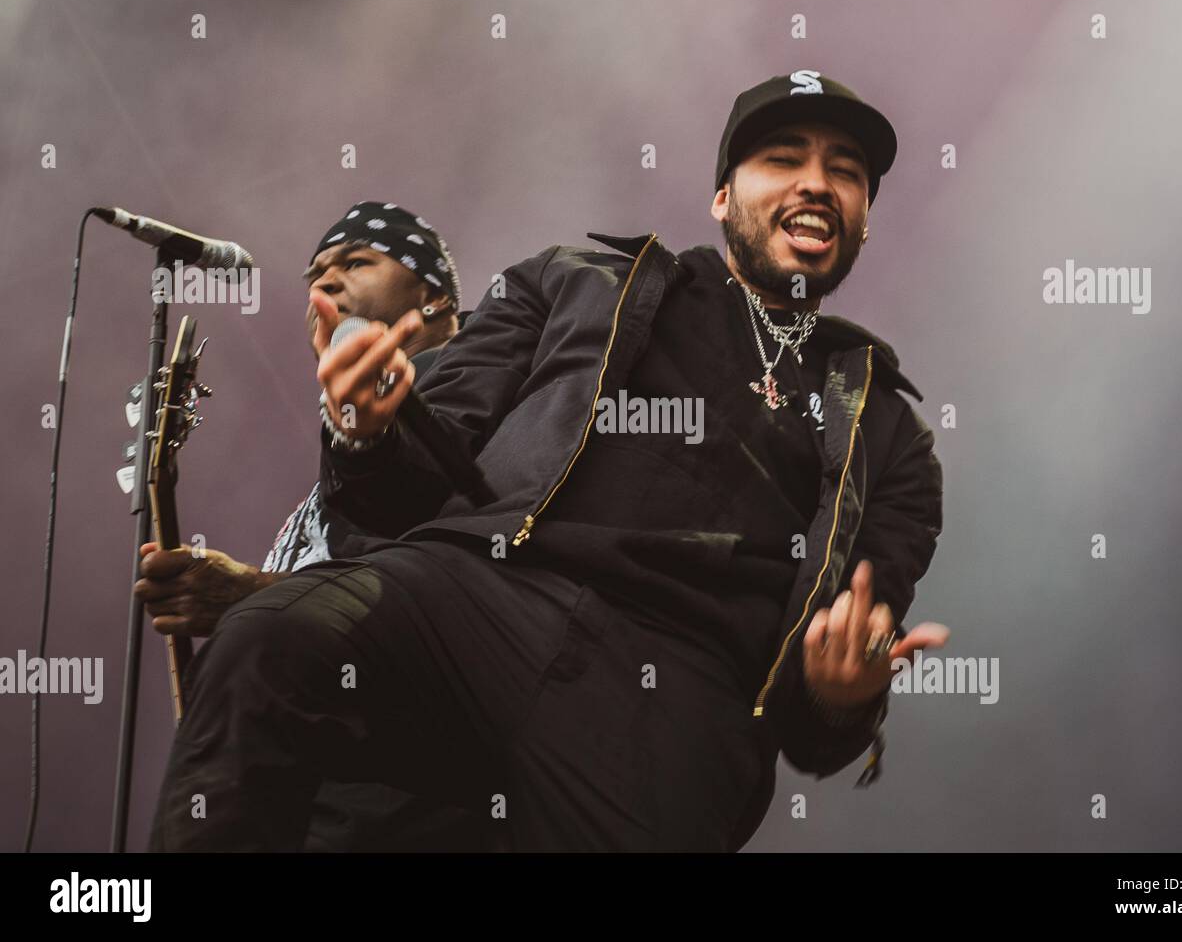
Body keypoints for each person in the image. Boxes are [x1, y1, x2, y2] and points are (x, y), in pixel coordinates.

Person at [147, 72, 948, 852]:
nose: (816, 184)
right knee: (271, 635)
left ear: (865, 218)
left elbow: (823, 708)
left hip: (679, 700)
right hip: (487, 593)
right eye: (783, 159)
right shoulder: (573, 282)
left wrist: (846, 695)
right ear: (722, 197)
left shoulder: (887, 435)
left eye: (845, 173)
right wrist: (364, 433)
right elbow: (408, 492)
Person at [137, 201, 478, 849]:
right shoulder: (345, 462)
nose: (324, 281)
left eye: (356, 262)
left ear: (431, 296)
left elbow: (437, 597)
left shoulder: (468, 393)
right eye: (316, 273)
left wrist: (249, 597)